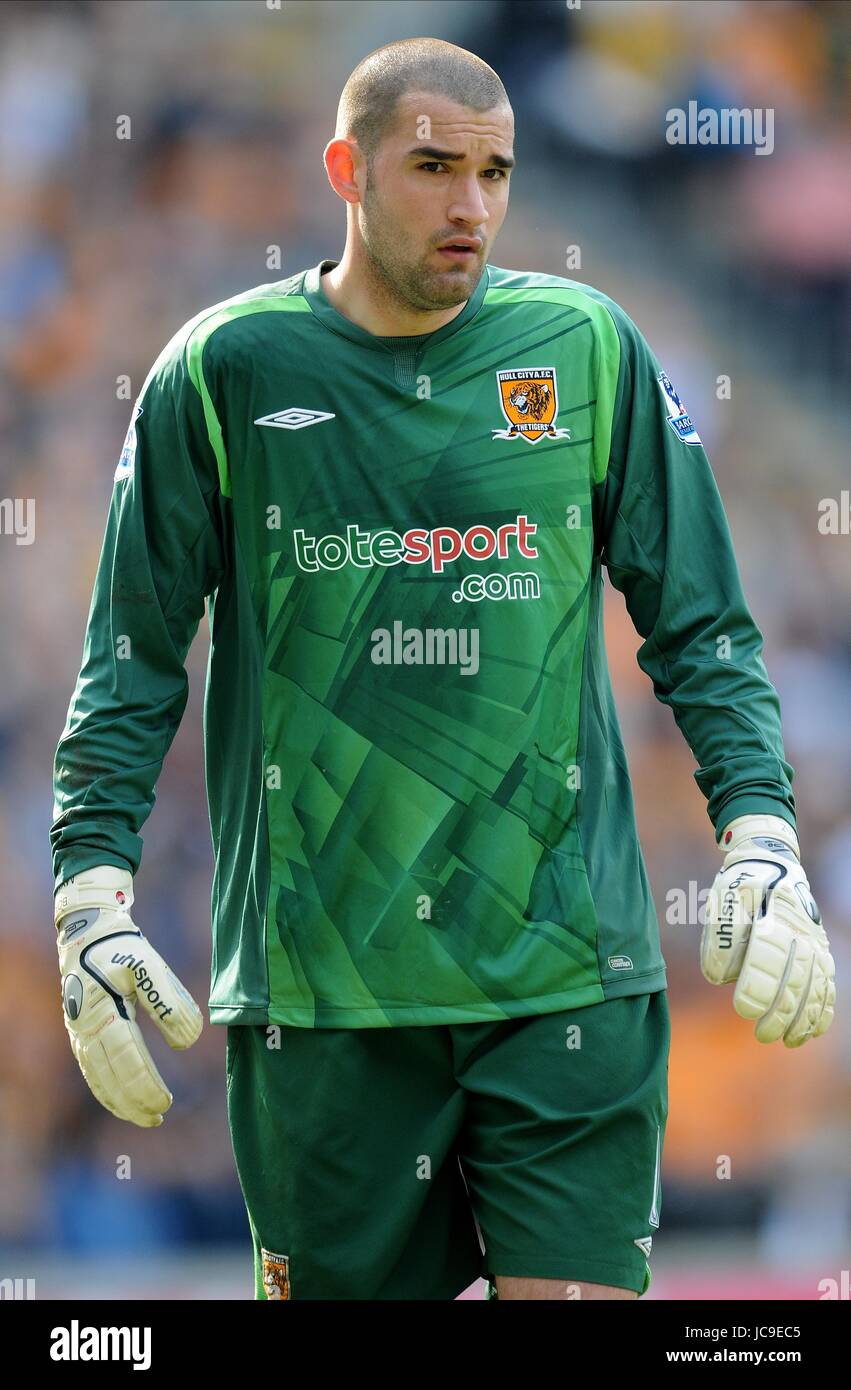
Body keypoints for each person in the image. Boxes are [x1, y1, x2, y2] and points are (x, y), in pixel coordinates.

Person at [50, 37, 835, 1302]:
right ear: (346, 170)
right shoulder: (222, 372)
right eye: (432, 167)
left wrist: (758, 832)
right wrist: (90, 891)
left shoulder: (584, 351)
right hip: (324, 995)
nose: (469, 205)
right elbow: (132, 652)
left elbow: (702, 624)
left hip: (564, 977)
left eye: (494, 173)